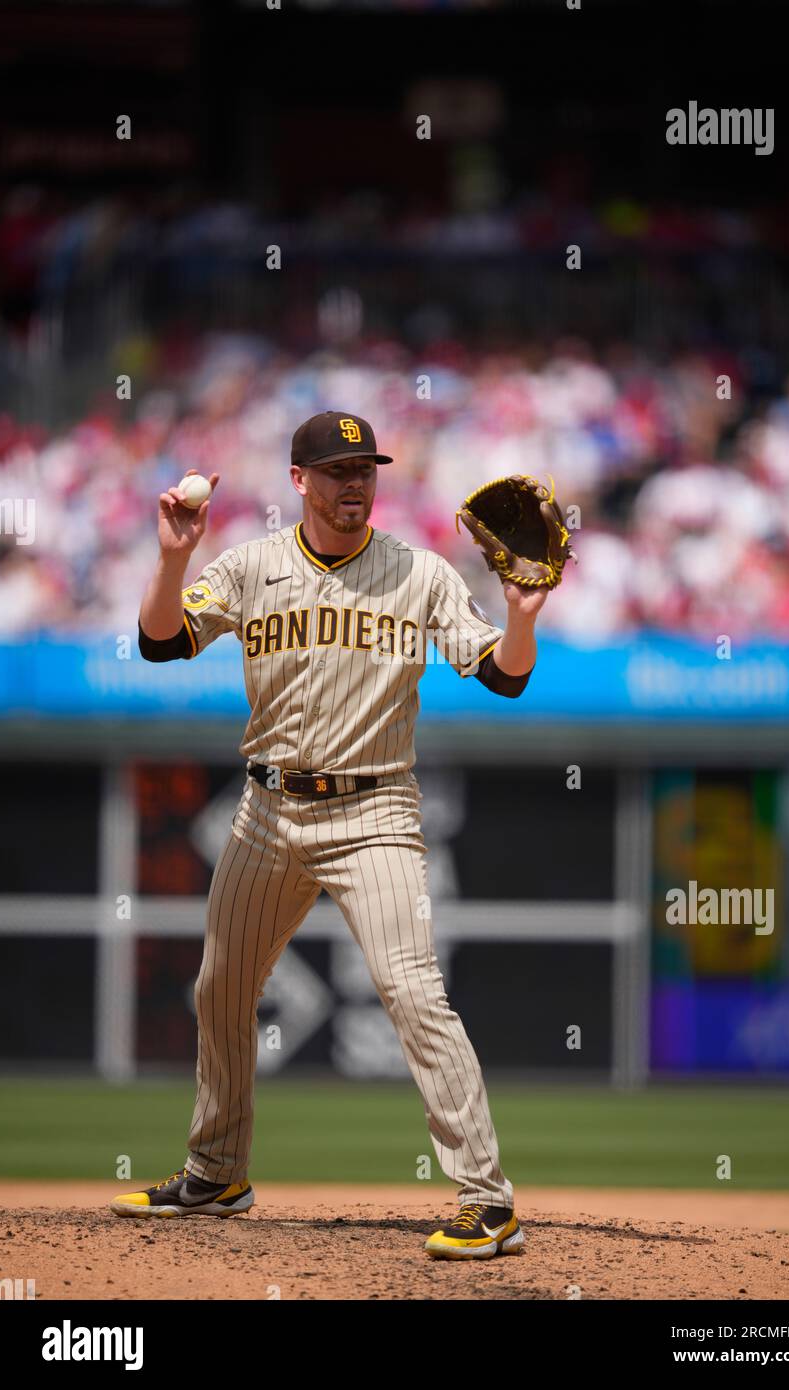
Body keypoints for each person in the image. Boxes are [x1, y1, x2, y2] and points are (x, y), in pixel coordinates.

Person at [110, 410, 552, 1260]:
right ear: (298, 481)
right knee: (220, 989)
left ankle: (487, 1200)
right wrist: (173, 557)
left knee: (414, 994)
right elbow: (159, 644)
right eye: (338, 470)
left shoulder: (419, 574)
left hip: (373, 812)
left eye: (366, 469)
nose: (356, 485)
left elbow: (502, 678)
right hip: (266, 815)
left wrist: (522, 615)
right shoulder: (250, 567)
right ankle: (217, 1172)